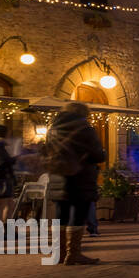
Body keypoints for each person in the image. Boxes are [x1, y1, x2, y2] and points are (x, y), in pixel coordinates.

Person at [43, 102, 106, 265]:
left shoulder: (53, 130)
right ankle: (73, 254)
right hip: (80, 178)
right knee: (78, 216)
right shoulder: (85, 129)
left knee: (60, 216)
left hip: (57, 177)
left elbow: (46, 151)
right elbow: (98, 155)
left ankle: (60, 253)